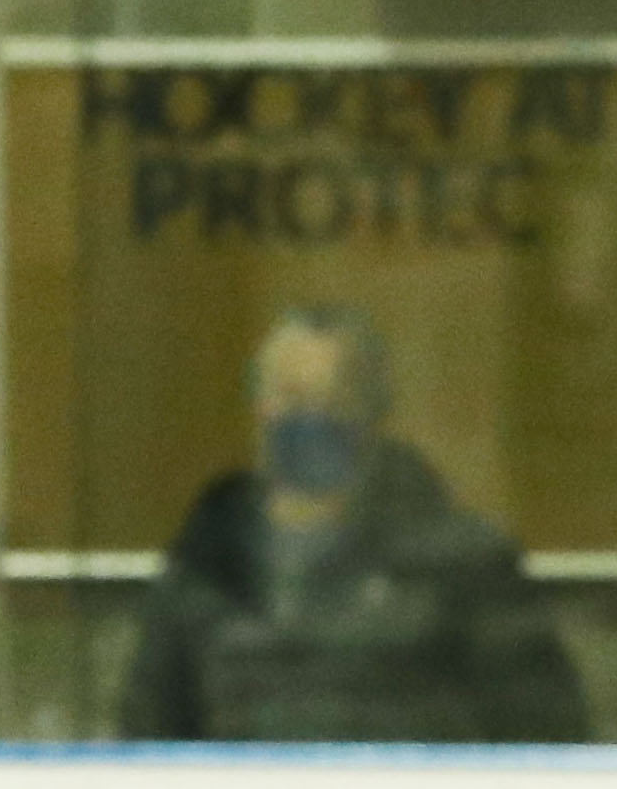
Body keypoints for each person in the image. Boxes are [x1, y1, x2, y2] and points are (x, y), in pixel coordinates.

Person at [116, 305, 588, 745]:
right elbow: (148, 730)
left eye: (333, 400)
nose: (311, 418)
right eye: (291, 397)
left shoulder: (460, 561)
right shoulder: (207, 563)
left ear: (372, 411)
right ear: (259, 405)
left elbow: (546, 731)